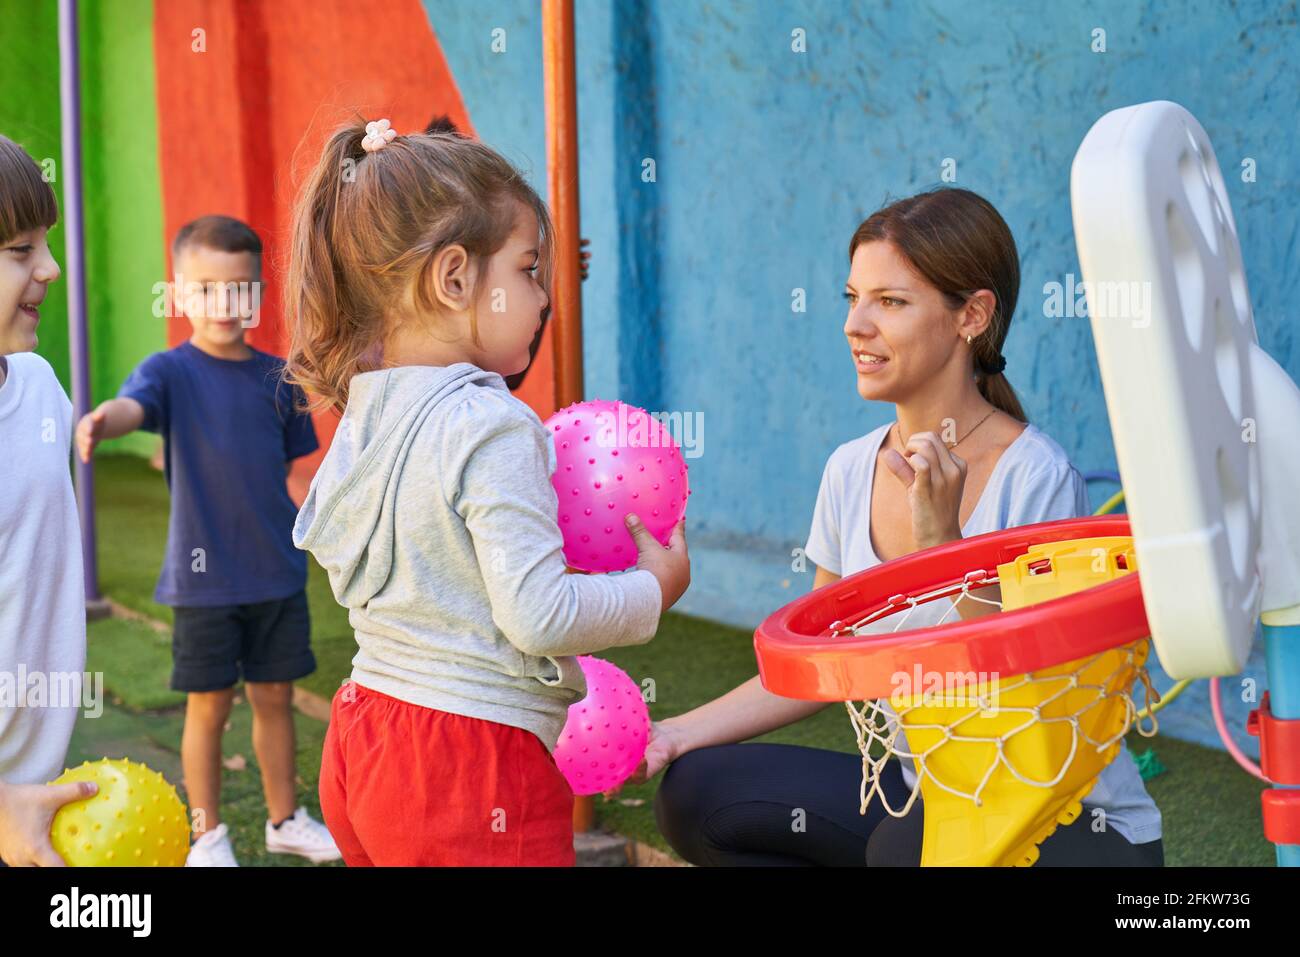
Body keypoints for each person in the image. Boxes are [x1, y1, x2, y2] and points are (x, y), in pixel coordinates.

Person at [647, 188, 1164, 867]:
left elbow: (1027, 698)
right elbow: (818, 663)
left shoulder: (1036, 477)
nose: (856, 324)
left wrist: (945, 546)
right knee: (698, 793)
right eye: (852, 296)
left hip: (1070, 821)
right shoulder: (848, 470)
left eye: (890, 302)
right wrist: (675, 733)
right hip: (938, 801)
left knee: (903, 847)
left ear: (971, 316)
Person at [285, 118, 690, 865]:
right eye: (530, 269)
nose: (544, 296)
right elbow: (539, 615)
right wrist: (653, 589)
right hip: (470, 768)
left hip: (363, 739)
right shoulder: (492, 422)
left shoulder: (366, 407)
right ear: (454, 278)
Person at [75, 215, 338, 866]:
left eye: (240, 288)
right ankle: (209, 834)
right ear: (180, 294)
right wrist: (106, 421)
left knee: (275, 700)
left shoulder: (279, 378)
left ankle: (284, 818)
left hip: (276, 575)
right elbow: (134, 408)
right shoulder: (167, 372)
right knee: (209, 707)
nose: (224, 303)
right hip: (203, 584)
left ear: (257, 293)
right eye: (207, 288)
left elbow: (295, 476)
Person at [0, 132, 98, 867]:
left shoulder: (39, 389)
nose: (51, 268)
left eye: (46, 244)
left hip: (33, 790)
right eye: (18, 251)